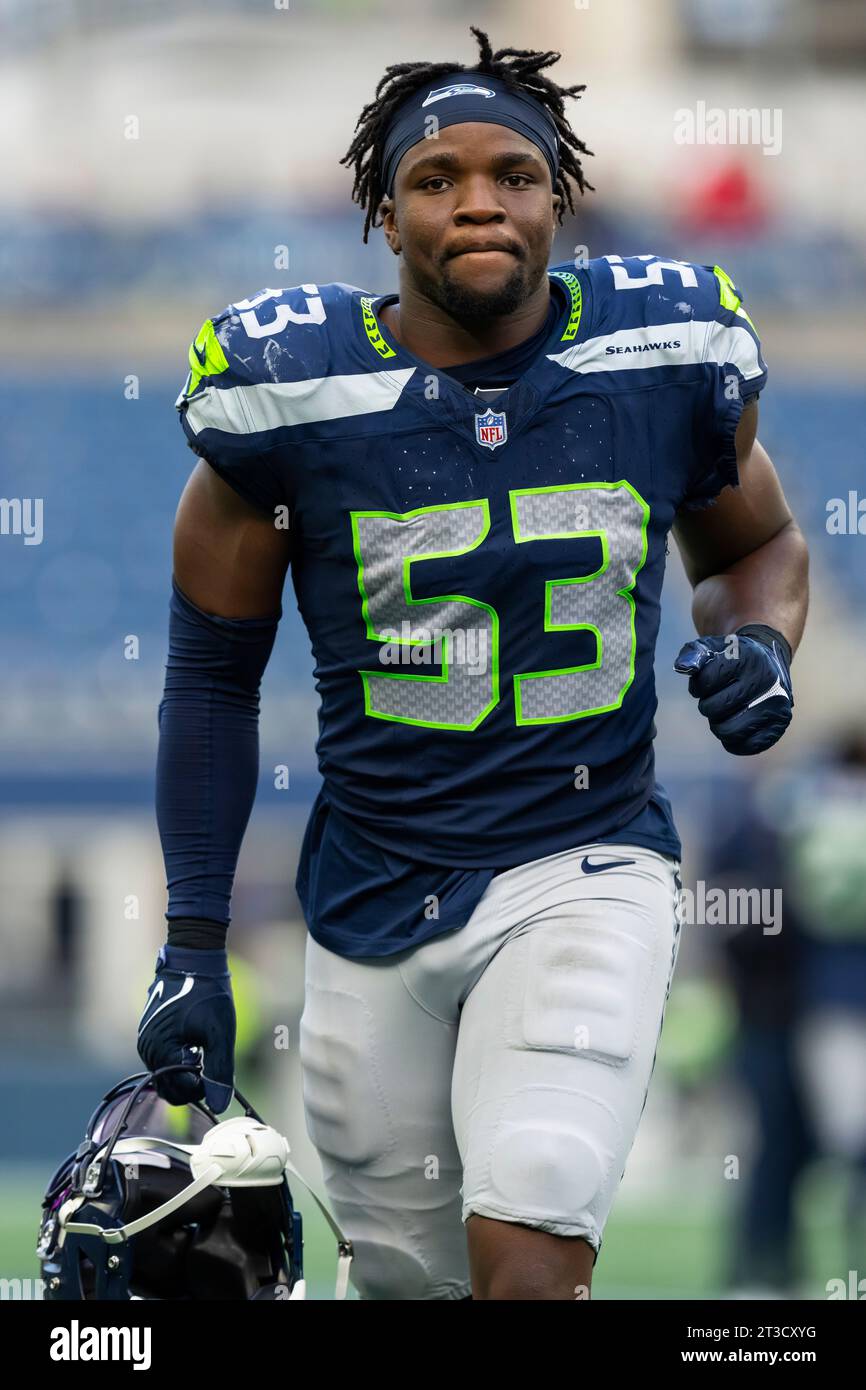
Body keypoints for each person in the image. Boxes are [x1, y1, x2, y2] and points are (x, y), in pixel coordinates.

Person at [137, 26, 808, 1299]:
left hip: (585, 856)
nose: (478, 200)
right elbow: (212, 682)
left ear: (558, 194)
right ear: (385, 216)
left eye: (511, 171)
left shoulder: (659, 359)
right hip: (370, 890)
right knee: (410, 1284)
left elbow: (758, 544)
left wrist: (759, 643)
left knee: (533, 1230)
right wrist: (189, 940)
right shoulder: (293, 394)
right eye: (436, 179)